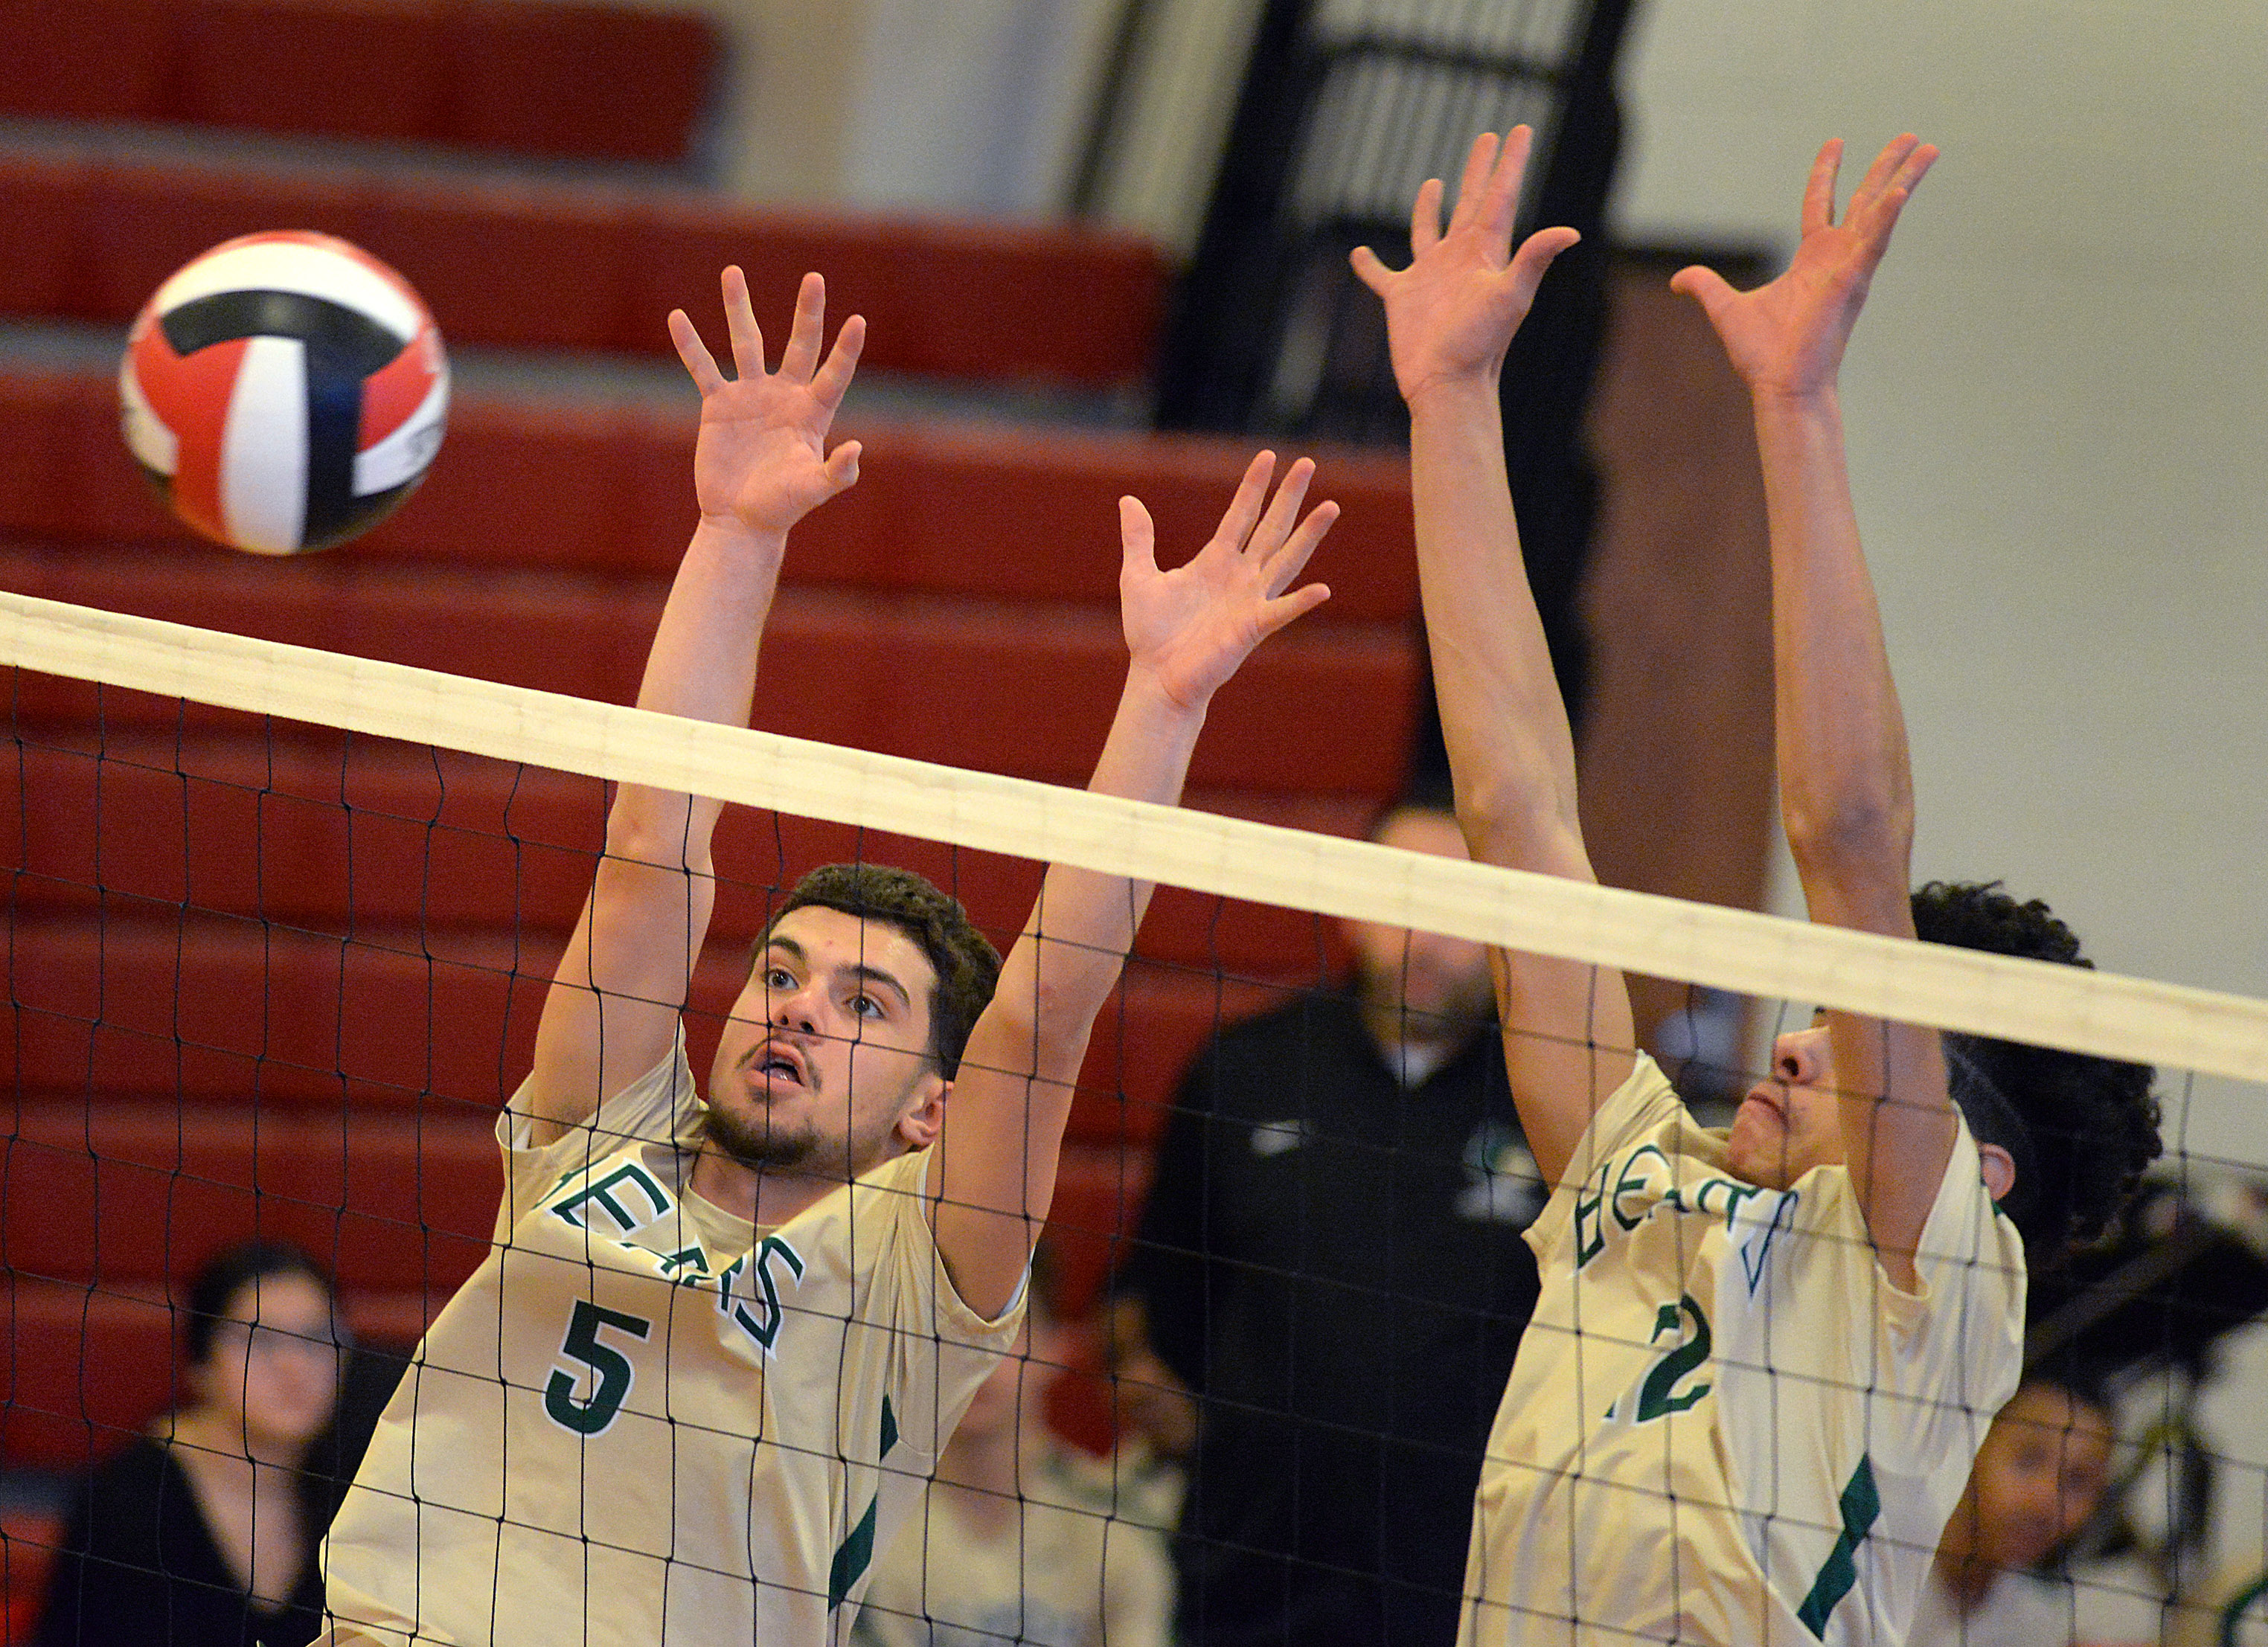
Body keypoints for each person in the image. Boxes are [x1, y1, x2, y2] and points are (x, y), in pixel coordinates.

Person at [314, 267, 1336, 1647]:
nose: (793, 1008)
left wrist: (1161, 703)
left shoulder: (918, 1267)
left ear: (932, 1108)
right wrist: (735, 533)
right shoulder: (601, 1127)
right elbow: (652, 835)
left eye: (864, 1003)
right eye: (783, 971)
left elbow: (1043, 1014)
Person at [1351, 126, 2160, 1646]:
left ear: (1974, 1166)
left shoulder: (1933, 1283)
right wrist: (1452, 401)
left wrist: (1794, 410)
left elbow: (1850, 836)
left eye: (1853, 1042)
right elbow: (1518, 819)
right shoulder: (1636, 1171)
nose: (1799, 1035)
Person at [1108, 792, 1540, 1646]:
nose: (1425, 938)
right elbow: (1147, 1301)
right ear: (1351, 909)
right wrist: (1219, 1443)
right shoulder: (1248, 1071)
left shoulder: (1551, 1105)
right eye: (1400, 899)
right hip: (1252, 1579)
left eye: (1458, 907)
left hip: (1474, 1591)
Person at [853, 1244, 1174, 1647]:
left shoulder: (1118, 1521)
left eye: (1006, 1323)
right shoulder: (855, 1525)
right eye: (948, 1326)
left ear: (1059, 1345)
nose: (977, 1354)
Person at [38, 1241, 346, 1647]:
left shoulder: (359, 1478)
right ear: (201, 1364)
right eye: (260, 1340)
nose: (295, 1368)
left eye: (316, 1338)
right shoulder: (130, 1500)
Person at [1908, 1373, 2117, 1647]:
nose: (2046, 1502)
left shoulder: (2040, 1627)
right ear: (1975, 1444)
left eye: (2077, 1481)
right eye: (2028, 1460)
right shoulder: (1872, 1560)